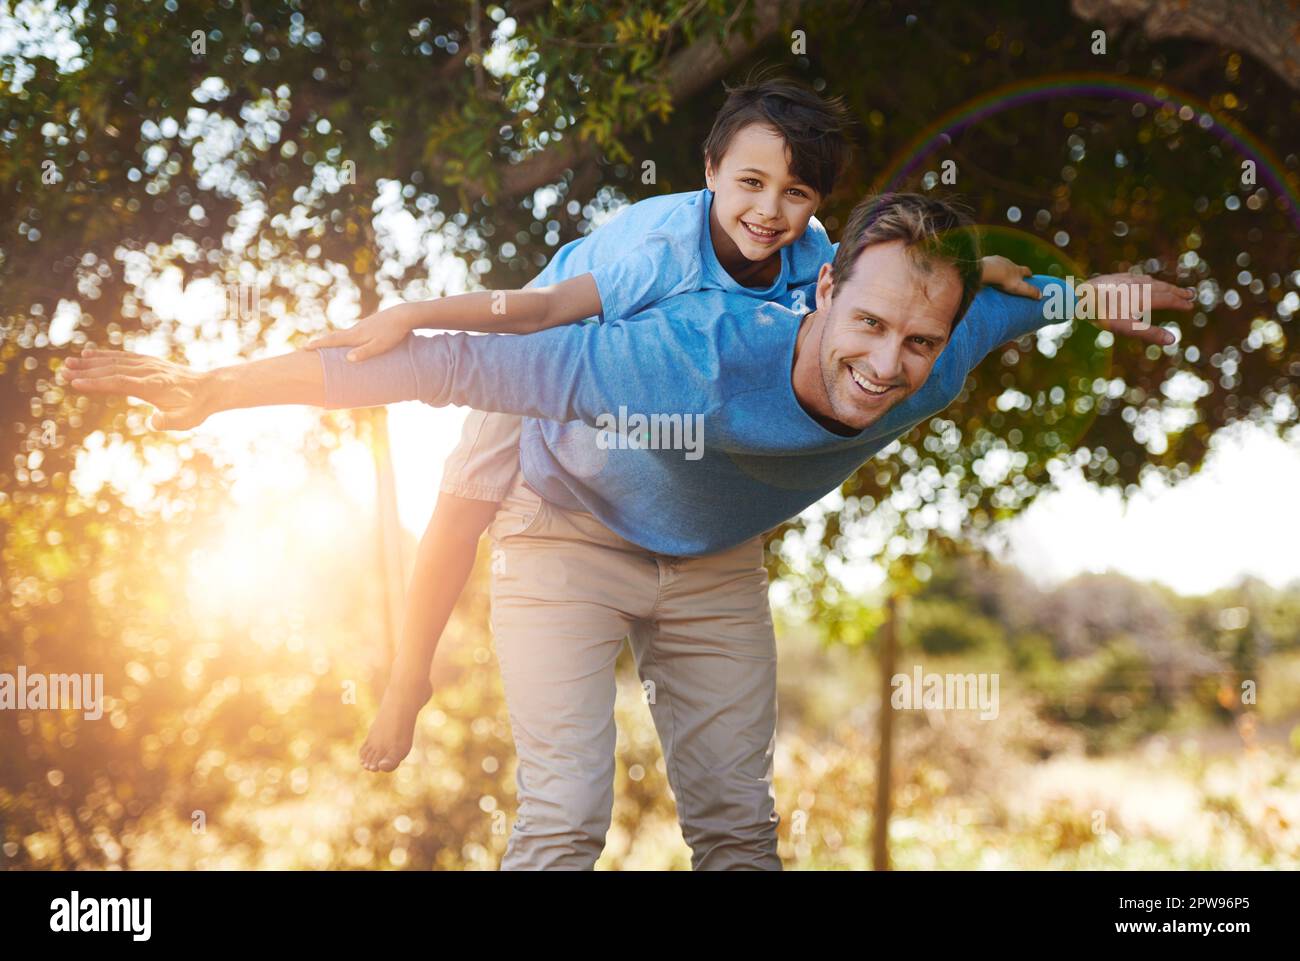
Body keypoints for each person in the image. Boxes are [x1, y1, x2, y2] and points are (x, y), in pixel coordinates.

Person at [66, 192, 1194, 869]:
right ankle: (404, 676)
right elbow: (436, 359)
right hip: (564, 535)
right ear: (822, 293)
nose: (886, 363)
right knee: (565, 816)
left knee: (739, 830)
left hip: (710, 564)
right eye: (870, 324)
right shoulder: (682, 352)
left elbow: (1039, 297)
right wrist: (218, 384)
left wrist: (1117, 293)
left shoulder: (943, 346)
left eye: (916, 341)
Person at [301, 77, 1036, 775]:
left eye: (796, 194)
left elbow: (904, 270)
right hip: (543, 333)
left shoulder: (814, 253)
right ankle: (407, 678)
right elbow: (539, 312)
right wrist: (411, 314)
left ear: (816, 204)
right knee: (463, 504)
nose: (771, 210)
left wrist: (985, 263)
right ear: (711, 169)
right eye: (751, 183)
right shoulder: (658, 246)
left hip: (620, 380)